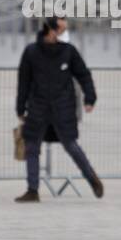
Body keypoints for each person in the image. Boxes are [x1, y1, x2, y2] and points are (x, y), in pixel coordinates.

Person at [14, 17, 103, 202]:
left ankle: (92, 178)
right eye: (62, 30)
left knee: (71, 145)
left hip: (63, 107)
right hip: (38, 107)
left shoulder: (69, 52)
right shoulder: (31, 52)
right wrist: (20, 108)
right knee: (31, 146)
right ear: (51, 31)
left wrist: (90, 98)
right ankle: (32, 190)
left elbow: (83, 75)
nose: (65, 33)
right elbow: (23, 81)